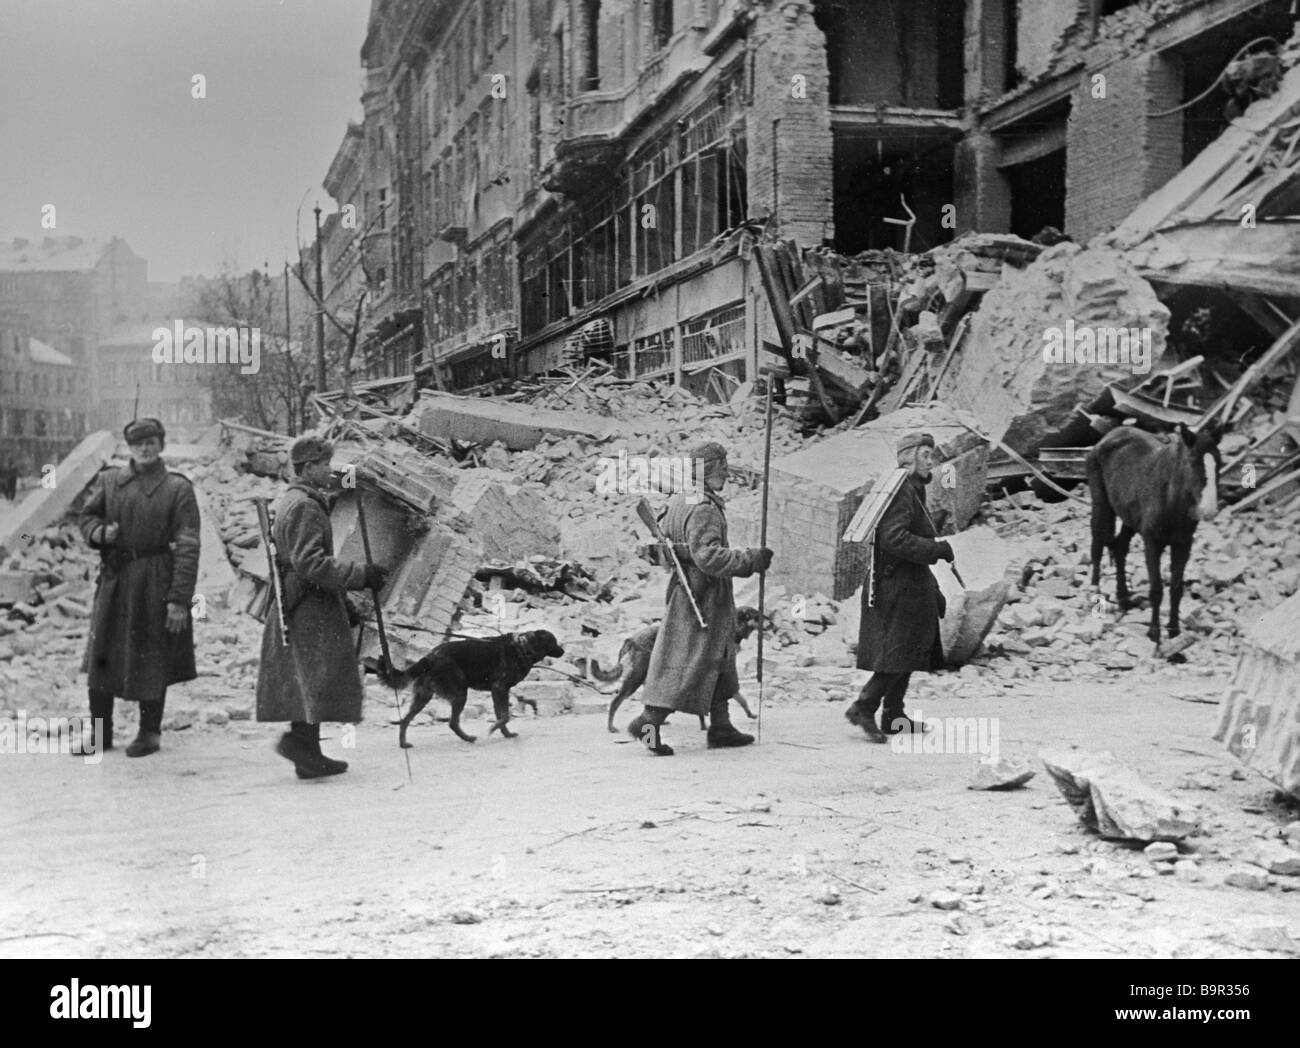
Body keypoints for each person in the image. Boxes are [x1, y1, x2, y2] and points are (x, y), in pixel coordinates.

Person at [628, 441, 773, 756]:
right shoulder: (704, 506)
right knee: (689, 661)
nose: (726, 471)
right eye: (722, 465)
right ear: (708, 469)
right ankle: (647, 722)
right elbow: (707, 556)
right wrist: (750, 560)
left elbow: (669, 549)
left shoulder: (682, 498)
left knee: (718, 656)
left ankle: (721, 726)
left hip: (688, 589)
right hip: (704, 593)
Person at [256, 435, 388, 779]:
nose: (330, 471)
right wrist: (361, 574)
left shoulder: (296, 500)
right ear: (308, 467)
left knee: (308, 676)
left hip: (304, 601)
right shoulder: (305, 506)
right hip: (308, 606)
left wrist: (344, 602)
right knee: (315, 674)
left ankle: (307, 754)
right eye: (324, 465)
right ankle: (300, 746)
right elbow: (311, 563)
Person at [78, 418, 199, 756]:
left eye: (152, 442)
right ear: (128, 447)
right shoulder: (110, 480)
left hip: (155, 579)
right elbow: (86, 518)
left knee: (151, 654)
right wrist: (100, 534)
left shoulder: (178, 488)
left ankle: (149, 733)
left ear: (161, 445)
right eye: (138, 443)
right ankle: (100, 734)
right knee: (101, 654)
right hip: (115, 579)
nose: (145, 449)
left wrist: (179, 600)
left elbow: (189, 545)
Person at [846, 431, 954, 742]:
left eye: (931, 454)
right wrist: (936, 550)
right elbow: (894, 539)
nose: (930, 460)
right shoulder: (901, 490)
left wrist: (933, 589)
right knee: (899, 650)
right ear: (907, 457)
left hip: (908, 580)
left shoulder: (911, 488)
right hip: (894, 582)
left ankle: (894, 715)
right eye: (924, 454)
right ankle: (863, 706)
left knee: (909, 650)